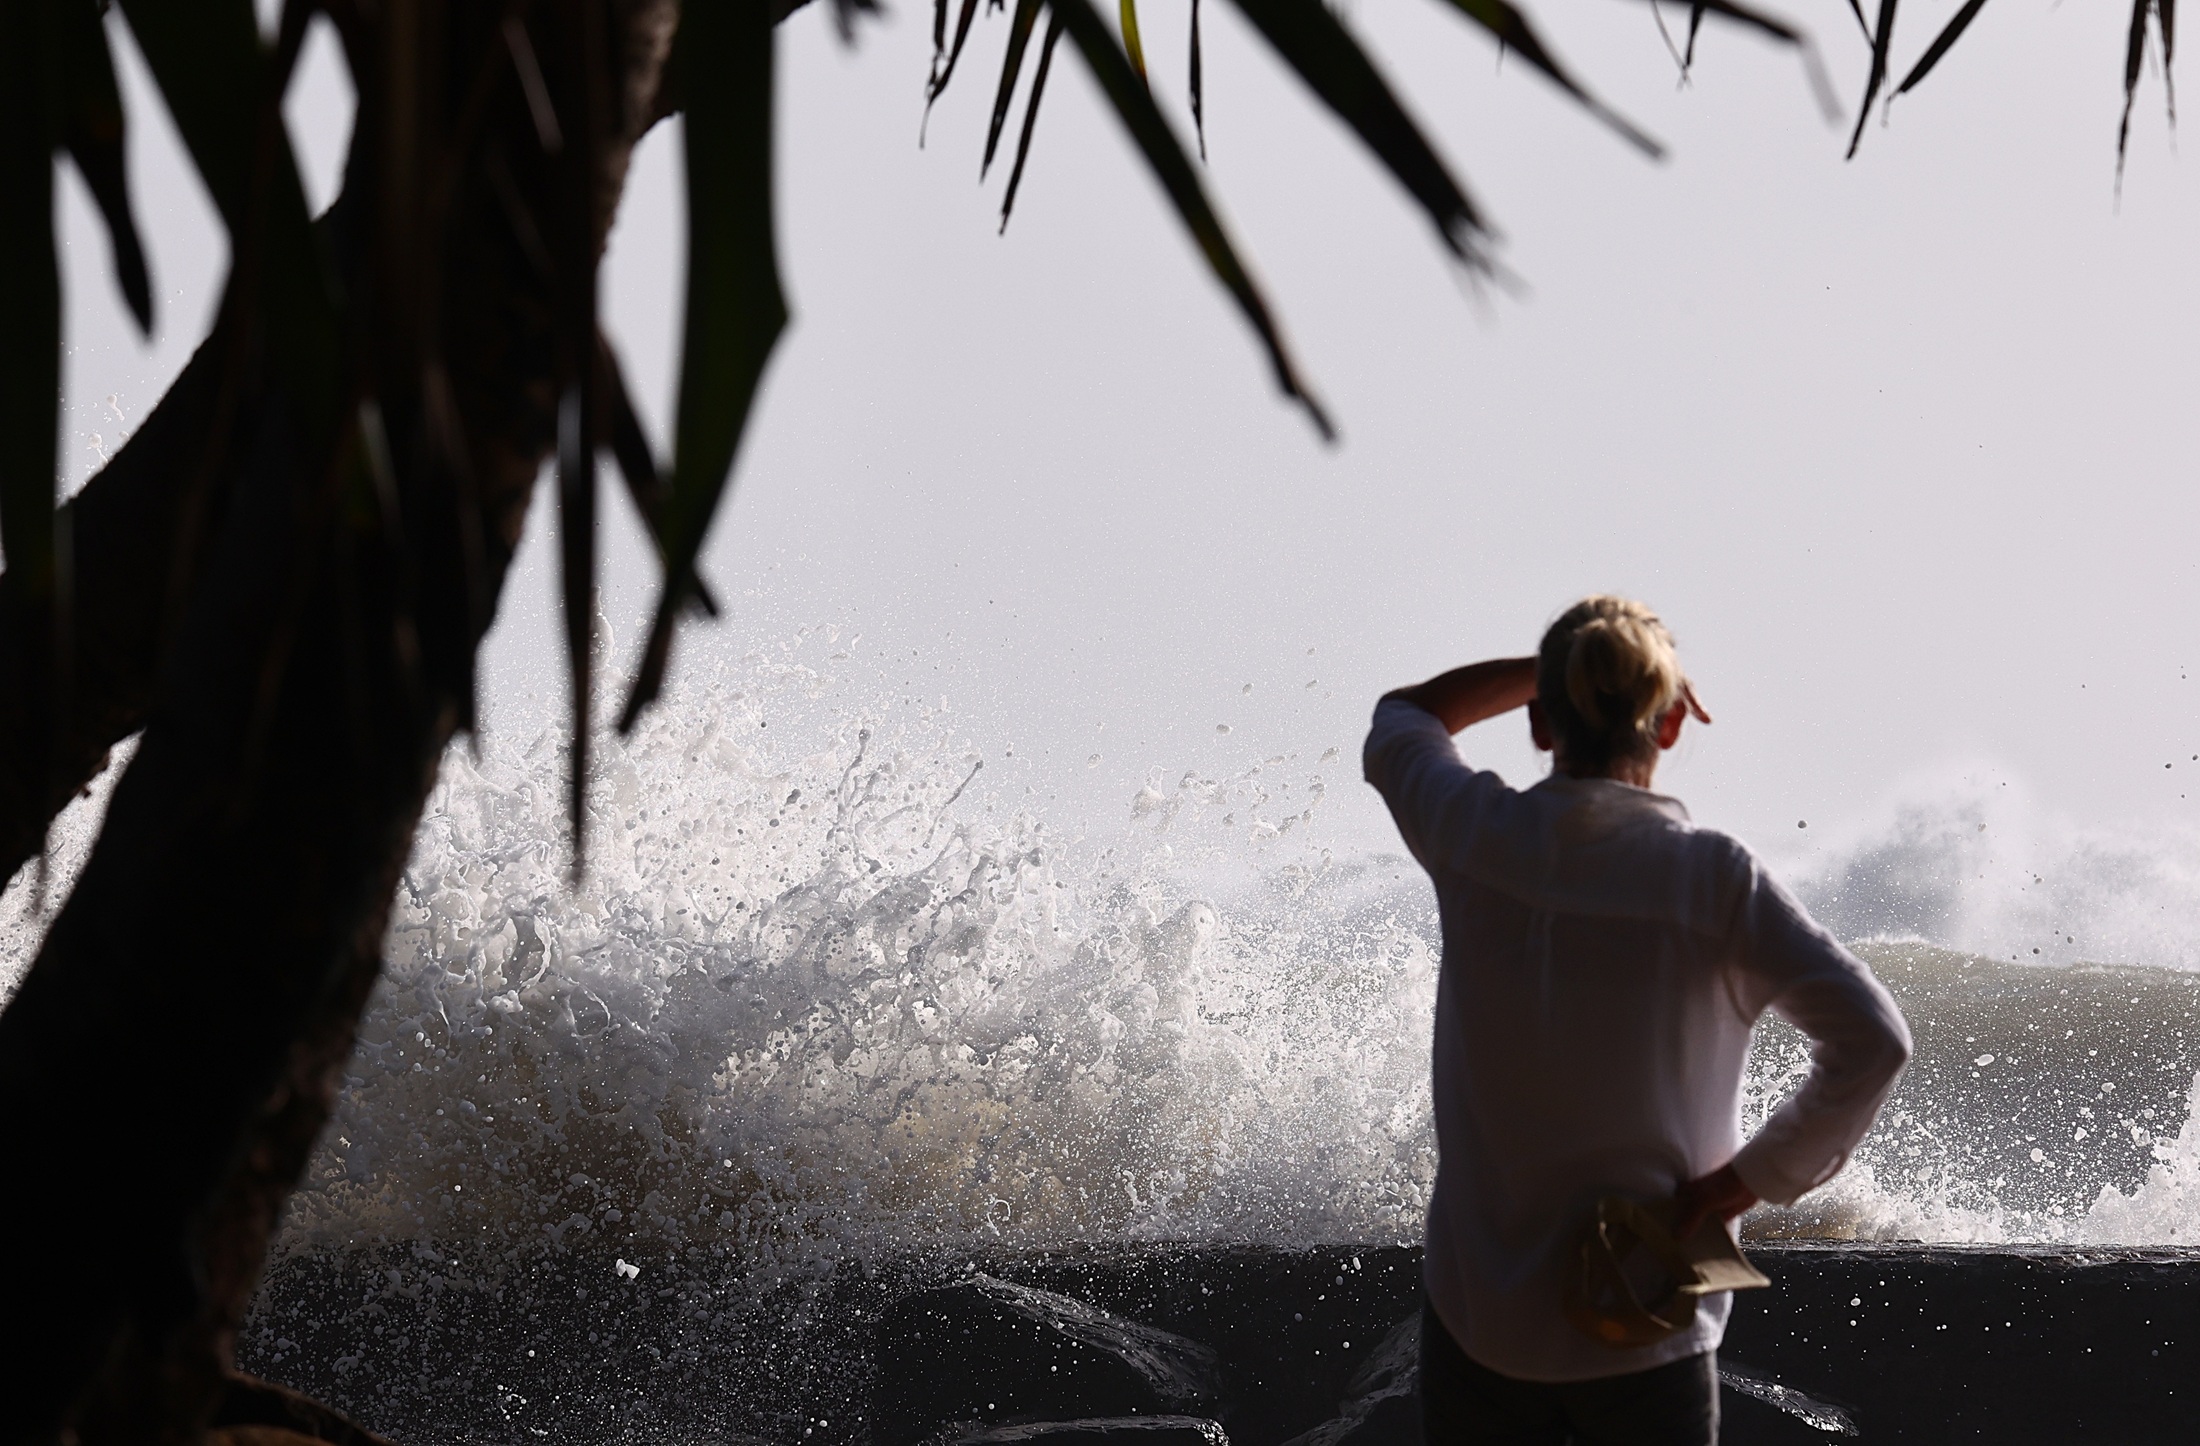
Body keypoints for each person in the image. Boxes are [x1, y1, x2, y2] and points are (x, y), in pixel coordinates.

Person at [1362, 596, 1911, 1446]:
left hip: (1482, 1320)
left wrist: (1559, 669)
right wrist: (1745, 1182)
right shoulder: (1713, 880)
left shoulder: (1474, 833)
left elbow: (1407, 715)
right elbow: (1874, 1040)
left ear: (1542, 721)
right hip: (1646, 1320)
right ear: (1669, 729)